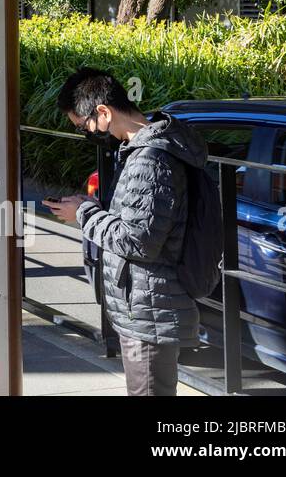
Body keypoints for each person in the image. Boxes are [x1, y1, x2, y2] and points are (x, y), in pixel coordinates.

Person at [46, 66, 204, 396]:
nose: (88, 134)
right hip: (145, 305)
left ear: (103, 112)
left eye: (85, 126)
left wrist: (83, 214)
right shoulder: (142, 151)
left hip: (149, 311)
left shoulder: (150, 160)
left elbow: (138, 241)